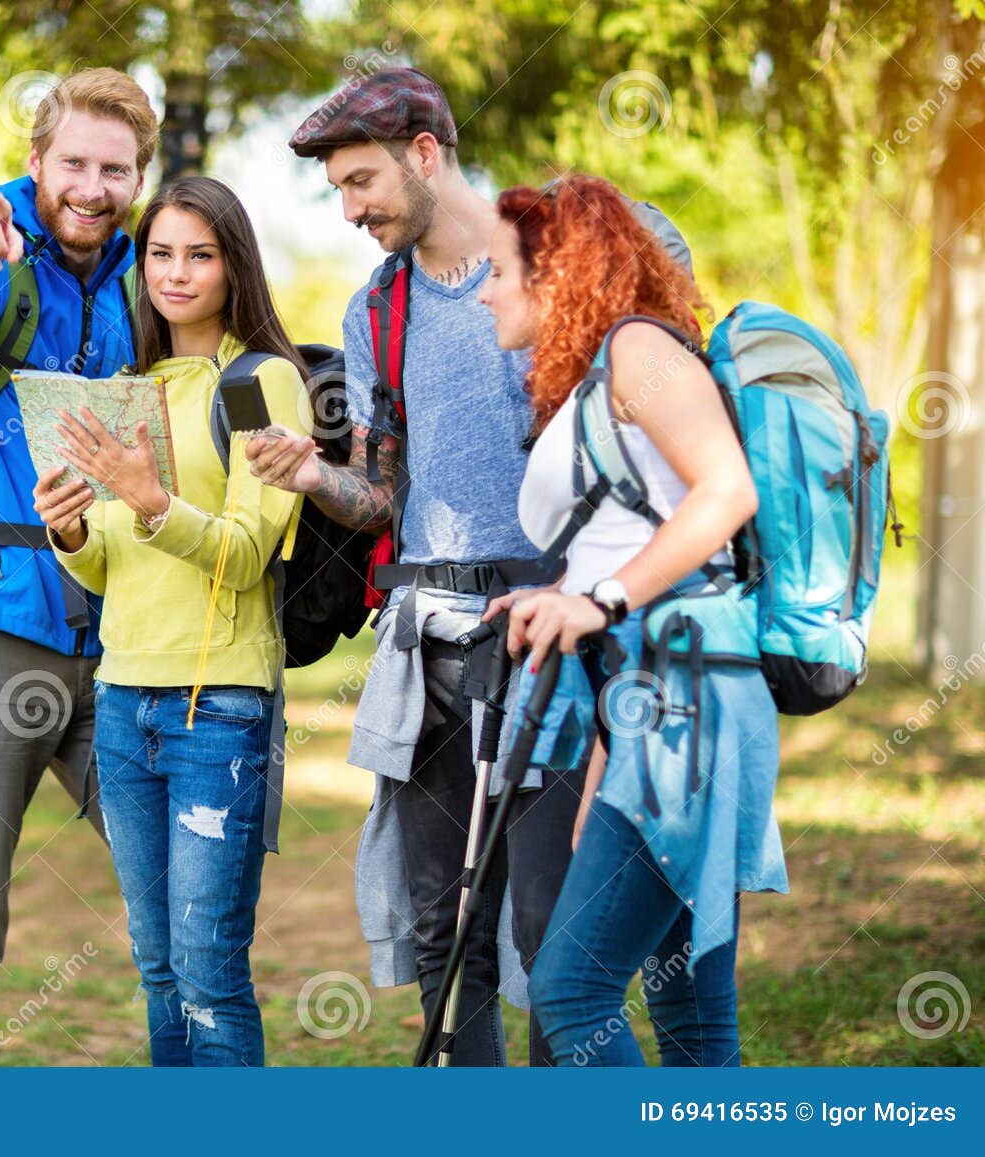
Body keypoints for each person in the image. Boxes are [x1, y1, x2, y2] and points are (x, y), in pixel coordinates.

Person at [248, 67, 579, 1066]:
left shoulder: (560, 264)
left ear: (425, 155)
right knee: (446, 927)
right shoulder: (377, 312)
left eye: (360, 183)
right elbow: (381, 493)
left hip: (553, 639)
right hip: (431, 644)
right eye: (337, 190)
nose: (348, 210)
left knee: (550, 933)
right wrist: (311, 474)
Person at [479, 174, 787, 1066]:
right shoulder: (596, 381)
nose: (488, 289)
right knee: (691, 1017)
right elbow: (630, 574)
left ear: (557, 270)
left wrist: (594, 597)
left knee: (573, 992)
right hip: (654, 705)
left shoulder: (641, 350)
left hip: (687, 707)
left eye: (501, 269)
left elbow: (727, 490)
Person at [0, 67, 158, 1067]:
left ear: (137, 173)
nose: (93, 186)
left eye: (116, 167)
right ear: (37, 160)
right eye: (75, 163)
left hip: (113, 635)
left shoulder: (142, 269)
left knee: (182, 885)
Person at [33, 176, 312, 1066]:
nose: (177, 273)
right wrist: (70, 525)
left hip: (214, 708)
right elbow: (111, 566)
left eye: (201, 254)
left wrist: (150, 495)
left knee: (206, 969)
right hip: (123, 705)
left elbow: (242, 557)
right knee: (157, 969)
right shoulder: (128, 387)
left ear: (234, 266)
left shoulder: (254, 383)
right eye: (160, 253)